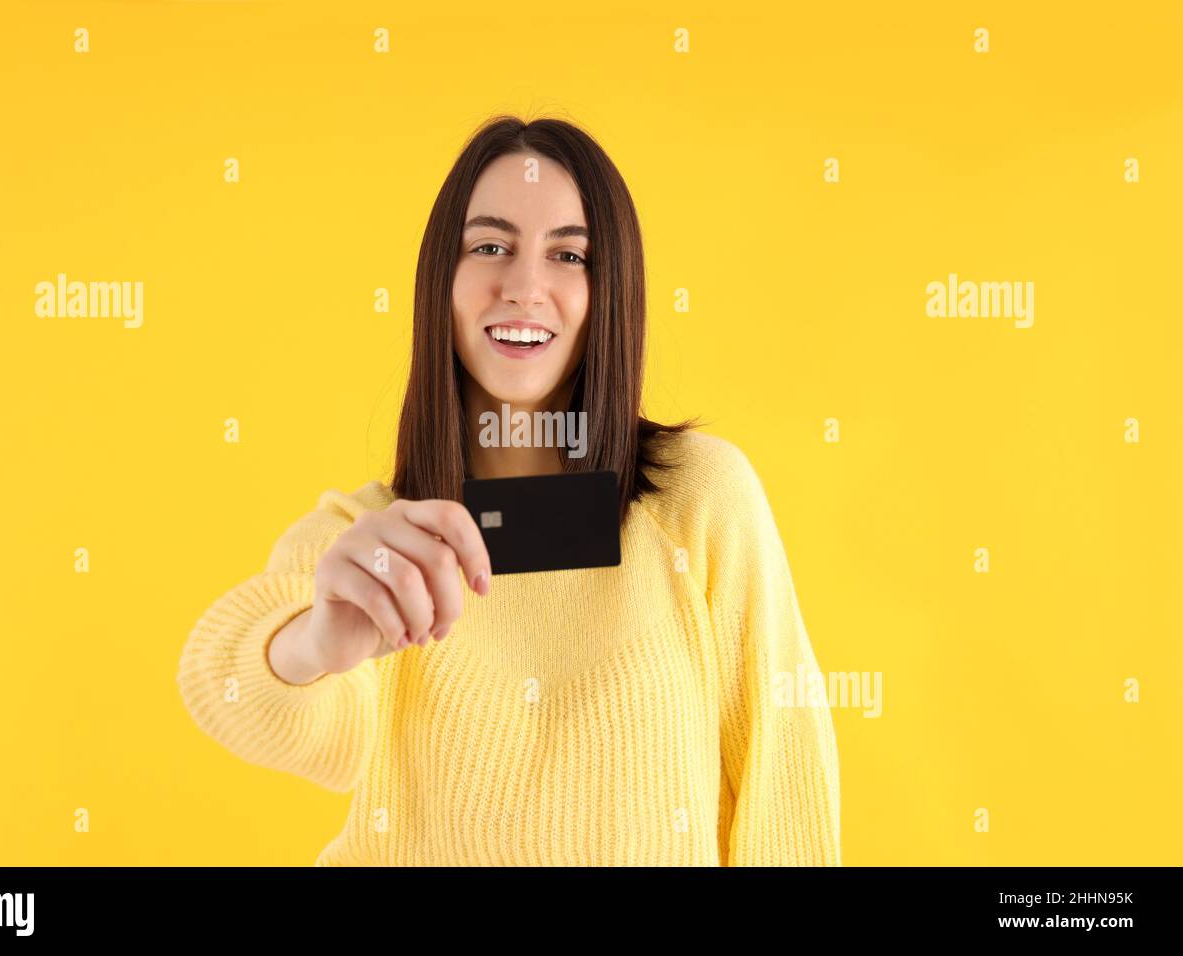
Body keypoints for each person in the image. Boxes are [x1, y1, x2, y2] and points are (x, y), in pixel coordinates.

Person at [176, 115, 841, 866]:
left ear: (611, 291)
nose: (525, 287)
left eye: (569, 255)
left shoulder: (699, 502)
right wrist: (316, 641)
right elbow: (225, 685)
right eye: (490, 247)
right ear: (441, 281)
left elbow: (785, 781)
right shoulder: (370, 541)